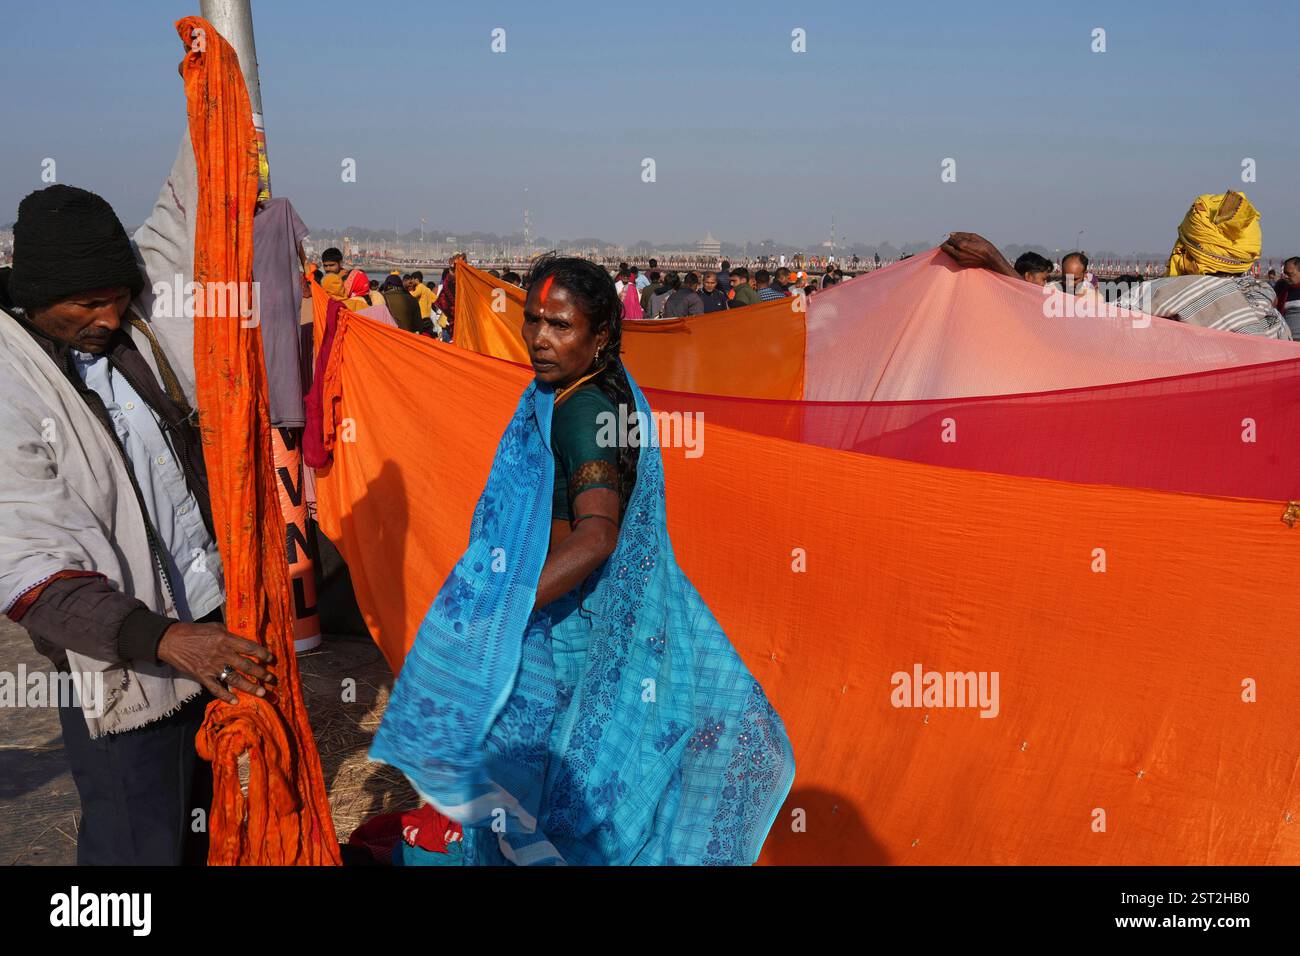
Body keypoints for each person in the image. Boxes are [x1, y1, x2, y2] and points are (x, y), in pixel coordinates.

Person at [368, 254, 794, 864]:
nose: (540, 339)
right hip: (577, 618)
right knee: (557, 792)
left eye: (561, 326)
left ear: (600, 336)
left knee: (537, 790)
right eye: (534, 320)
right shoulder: (591, 388)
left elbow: (597, 536)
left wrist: (503, 615)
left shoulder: (583, 412)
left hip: (566, 632)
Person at [0, 185, 275, 865]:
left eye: (119, 295)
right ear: (38, 296)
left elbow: (184, 217)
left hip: (201, 634)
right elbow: (27, 569)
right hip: (122, 663)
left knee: (198, 833)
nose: (111, 313)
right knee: (134, 846)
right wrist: (167, 638)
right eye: (89, 302)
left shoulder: (128, 341)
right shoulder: (15, 385)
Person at [942, 192, 1292, 338]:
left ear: (1185, 253)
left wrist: (993, 261)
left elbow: (1071, 339)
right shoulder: (1271, 318)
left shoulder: (1163, 295)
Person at [1279, 257, 1300, 338]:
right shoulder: (1283, 291)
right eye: (1285, 273)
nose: (1286, 277)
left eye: (1289, 274)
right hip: (1286, 341)